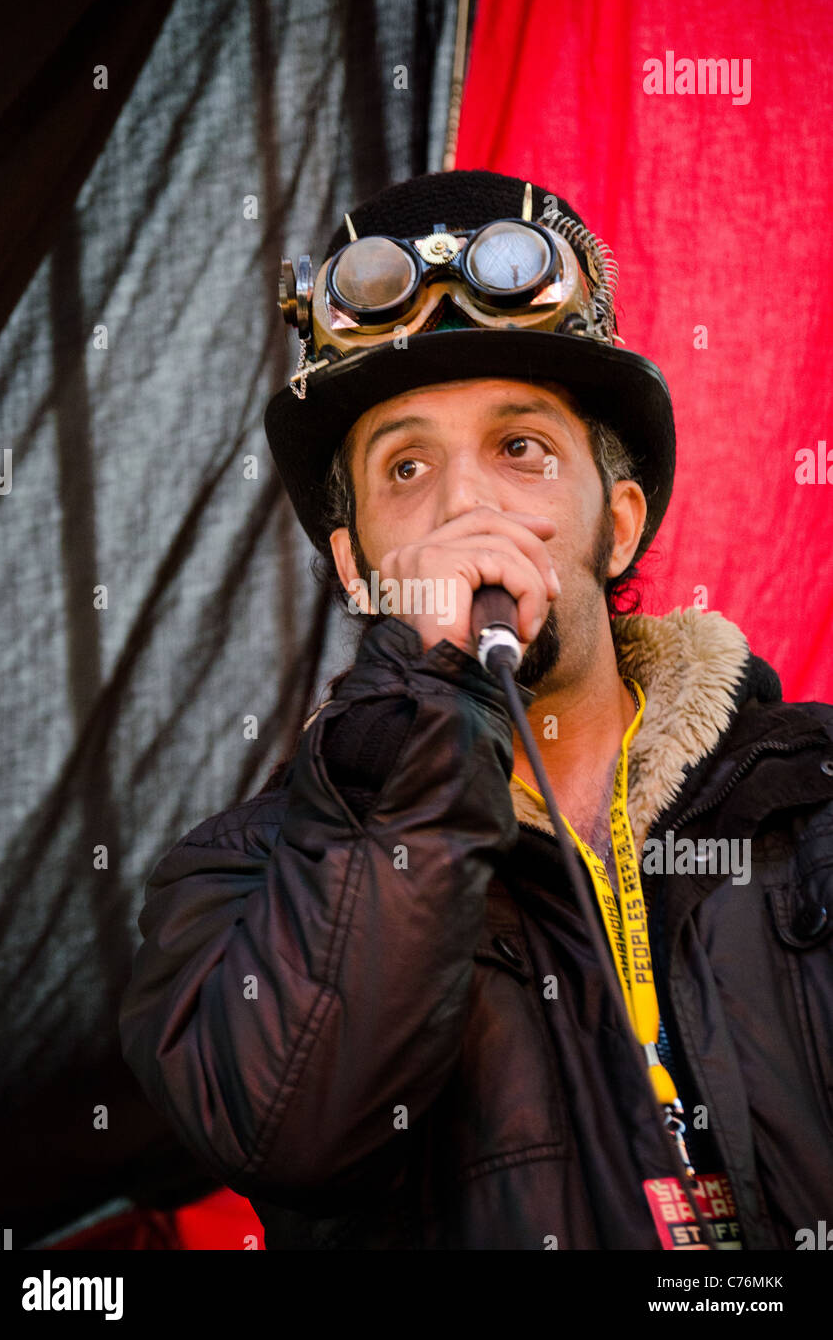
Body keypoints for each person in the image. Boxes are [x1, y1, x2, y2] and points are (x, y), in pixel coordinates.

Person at [119, 168, 833, 1250]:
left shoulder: (812, 794)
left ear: (621, 523)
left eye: (522, 449)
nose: (467, 504)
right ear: (359, 570)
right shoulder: (239, 883)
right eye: (406, 466)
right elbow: (292, 1129)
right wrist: (428, 705)